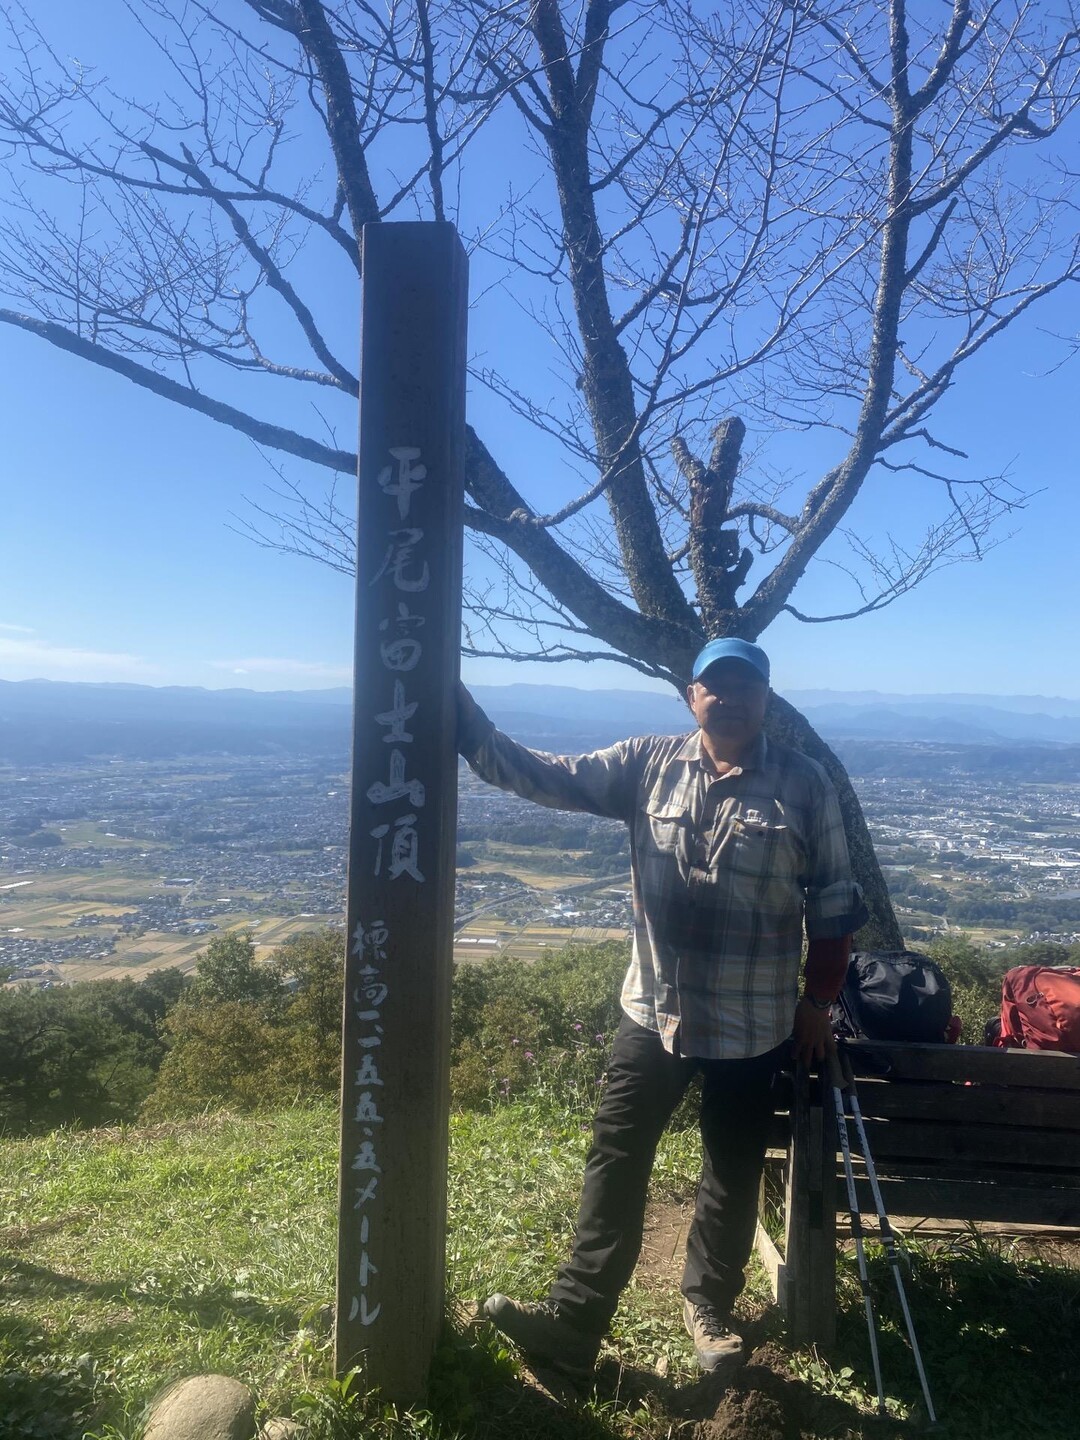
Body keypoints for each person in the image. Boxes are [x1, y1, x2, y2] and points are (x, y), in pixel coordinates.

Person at [457, 638, 867, 1379]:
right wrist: (466, 726)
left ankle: (707, 1308)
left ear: (767, 700)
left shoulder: (805, 785)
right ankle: (575, 1320)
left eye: (747, 687)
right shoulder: (647, 763)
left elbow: (835, 905)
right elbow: (551, 777)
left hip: (754, 1022)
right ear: (691, 696)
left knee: (732, 1168)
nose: (731, 699)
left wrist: (819, 1001)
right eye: (717, 686)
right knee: (615, 1158)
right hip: (654, 1011)